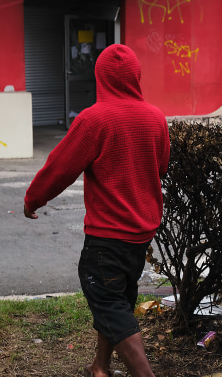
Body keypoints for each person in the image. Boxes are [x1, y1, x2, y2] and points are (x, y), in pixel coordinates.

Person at [24, 44, 169, 377]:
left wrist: (33, 200)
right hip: (141, 235)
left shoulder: (94, 119)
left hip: (107, 237)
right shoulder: (156, 117)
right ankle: (100, 367)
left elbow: (59, 168)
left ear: (99, 76)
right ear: (136, 76)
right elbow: (161, 167)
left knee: (109, 303)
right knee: (118, 300)